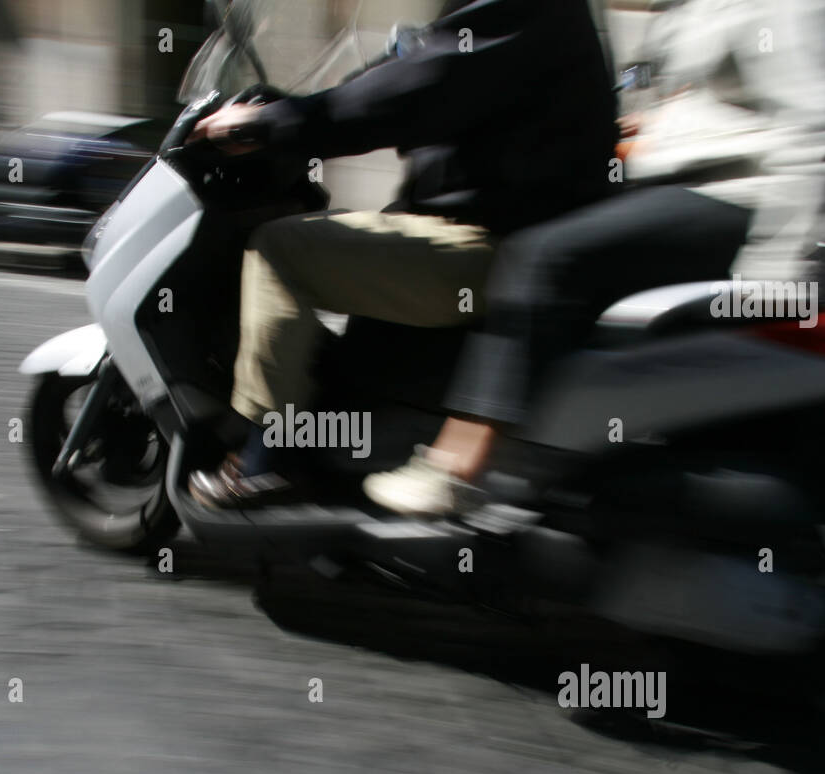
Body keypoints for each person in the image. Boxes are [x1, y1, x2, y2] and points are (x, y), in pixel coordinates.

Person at [364, 0, 825, 516]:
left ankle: (460, 465)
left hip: (745, 198)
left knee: (541, 256)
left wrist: (785, 271)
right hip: (675, 186)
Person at [186, 0, 619, 508]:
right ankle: (339, 431)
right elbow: (408, 71)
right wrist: (290, 111)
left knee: (282, 247)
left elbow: (417, 88)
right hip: (498, 235)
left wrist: (272, 125)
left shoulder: (521, 12)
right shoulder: (514, 17)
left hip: (491, 247)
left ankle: (269, 457)